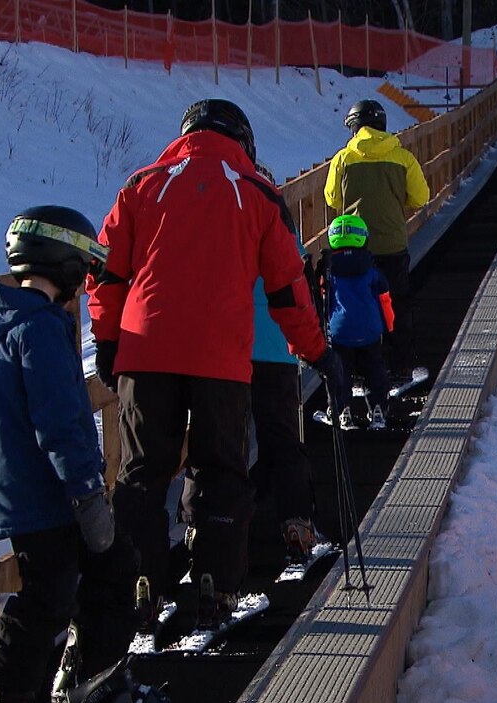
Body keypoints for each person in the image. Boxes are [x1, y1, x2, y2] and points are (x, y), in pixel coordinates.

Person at [87, 98, 344, 631]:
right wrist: (318, 352)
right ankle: (216, 589)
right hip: (220, 357)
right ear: (243, 140)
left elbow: (107, 270)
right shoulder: (255, 192)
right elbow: (288, 290)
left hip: (146, 349)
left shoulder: (142, 184)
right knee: (219, 469)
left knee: (141, 473)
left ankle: (141, 591)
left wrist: (108, 341)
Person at [0, 205, 133, 703]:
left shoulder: (17, 319)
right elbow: (60, 422)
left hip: (31, 489)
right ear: (62, 263)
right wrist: (87, 493)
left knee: (89, 575)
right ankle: (25, 692)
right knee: (48, 597)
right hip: (41, 492)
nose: (85, 284)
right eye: (84, 271)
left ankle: (85, 678)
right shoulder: (38, 328)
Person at [324, 98, 429, 384]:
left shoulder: (343, 159)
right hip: (393, 244)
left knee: (354, 303)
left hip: (354, 247)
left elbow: (332, 198)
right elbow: (421, 197)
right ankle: (401, 368)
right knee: (396, 304)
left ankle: (356, 371)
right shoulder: (402, 157)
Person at [249, 160, 321, 565]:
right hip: (276, 348)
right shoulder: (273, 210)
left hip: (226, 352)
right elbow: (295, 273)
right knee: (283, 440)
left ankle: (202, 529)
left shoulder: (219, 215)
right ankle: (297, 523)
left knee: (220, 446)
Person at [320, 214, 395, 431]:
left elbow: (324, 302)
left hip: (340, 331)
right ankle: (378, 409)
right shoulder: (372, 271)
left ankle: (342, 410)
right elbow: (385, 301)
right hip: (369, 331)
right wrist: (388, 327)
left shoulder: (329, 271)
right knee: (374, 368)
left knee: (340, 371)